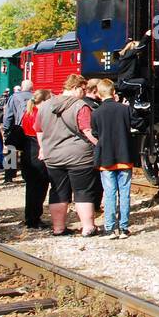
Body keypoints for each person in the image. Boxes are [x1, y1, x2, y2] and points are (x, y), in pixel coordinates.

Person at [37, 74, 102, 237]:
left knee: (57, 191)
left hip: (53, 156)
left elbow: (38, 129)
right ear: (74, 88)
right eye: (83, 88)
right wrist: (100, 145)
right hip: (79, 157)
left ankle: (58, 228)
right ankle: (88, 227)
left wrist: (43, 148)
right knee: (83, 191)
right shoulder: (81, 106)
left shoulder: (45, 105)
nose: (84, 92)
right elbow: (87, 131)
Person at [91, 78, 134, 238]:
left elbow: (95, 133)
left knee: (109, 194)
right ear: (114, 92)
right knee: (125, 193)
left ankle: (110, 228)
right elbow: (137, 123)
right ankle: (124, 227)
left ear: (99, 94)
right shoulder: (124, 109)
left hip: (106, 158)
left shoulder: (96, 113)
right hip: (124, 156)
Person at [19, 88, 52, 229]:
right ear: (44, 101)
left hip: (28, 150)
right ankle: (34, 218)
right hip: (38, 150)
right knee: (40, 186)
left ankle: (30, 216)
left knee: (31, 187)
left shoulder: (27, 113)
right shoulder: (41, 114)